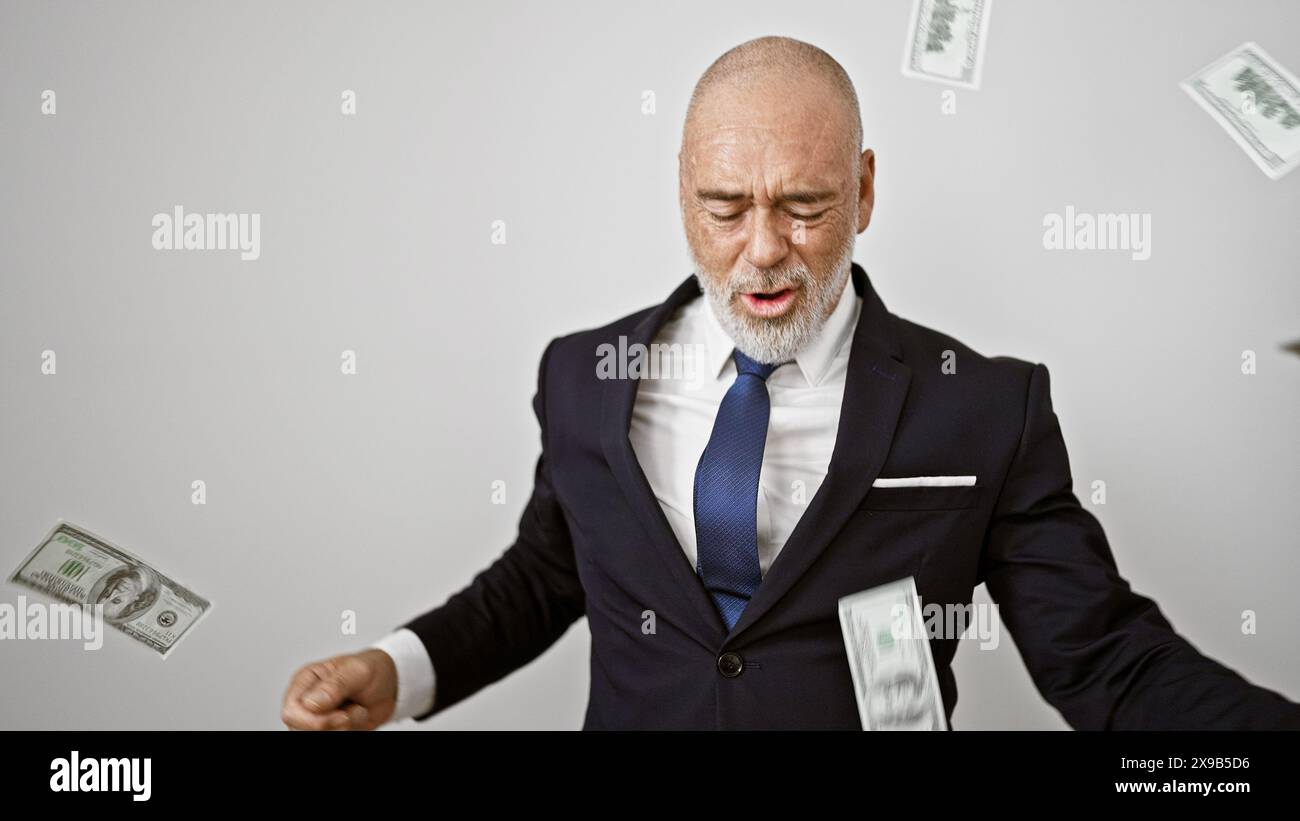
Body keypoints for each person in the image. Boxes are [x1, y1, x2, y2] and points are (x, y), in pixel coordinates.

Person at [281, 36, 1300, 731]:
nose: (762, 251)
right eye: (725, 208)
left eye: (804, 206)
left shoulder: (984, 409)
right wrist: (398, 669)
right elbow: (547, 575)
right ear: (682, 188)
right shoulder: (584, 375)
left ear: (862, 188)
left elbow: (1106, 659)